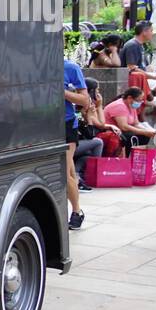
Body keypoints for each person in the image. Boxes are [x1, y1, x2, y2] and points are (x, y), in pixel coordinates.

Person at [120, 20, 156, 115]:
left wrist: (150, 71)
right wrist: (154, 77)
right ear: (144, 32)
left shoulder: (140, 45)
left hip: (143, 75)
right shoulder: (133, 45)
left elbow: (140, 66)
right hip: (136, 77)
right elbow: (131, 68)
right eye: (151, 31)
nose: (152, 34)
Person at [73, 77, 116, 187]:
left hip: (80, 142)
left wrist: (99, 106)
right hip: (72, 143)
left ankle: (78, 175)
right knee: (98, 142)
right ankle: (95, 172)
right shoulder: (77, 109)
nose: (98, 93)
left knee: (87, 155)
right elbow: (91, 135)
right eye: (97, 90)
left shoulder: (89, 106)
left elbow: (101, 124)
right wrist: (89, 118)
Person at [64, 57, 90, 229]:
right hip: (41, 123)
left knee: (63, 172)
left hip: (66, 124)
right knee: (69, 170)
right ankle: (77, 211)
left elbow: (84, 100)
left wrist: (63, 92)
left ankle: (76, 211)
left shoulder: (71, 68)